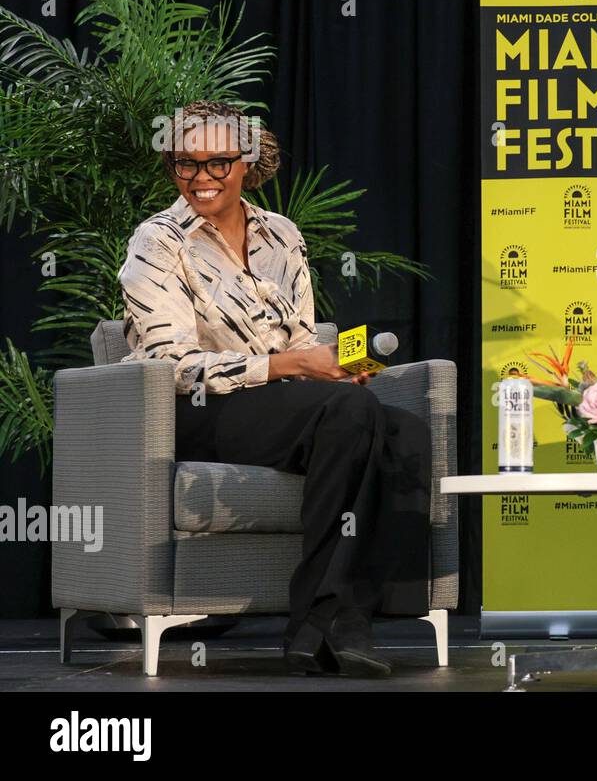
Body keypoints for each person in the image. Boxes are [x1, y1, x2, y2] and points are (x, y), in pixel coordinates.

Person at [118, 100, 430, 677]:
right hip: (198, 409)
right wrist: (289, 366)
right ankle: (333, 619)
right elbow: (172, 362)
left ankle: (337, 620)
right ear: (172, 168)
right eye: (186, 164)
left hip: (288, 405)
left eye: (217, 163)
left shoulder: (281, 235)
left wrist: (335, 365)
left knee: (398, 424)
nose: (201, 178)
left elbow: (304, 334)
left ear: (247, 162)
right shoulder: (158, 241)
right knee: (348, 413)